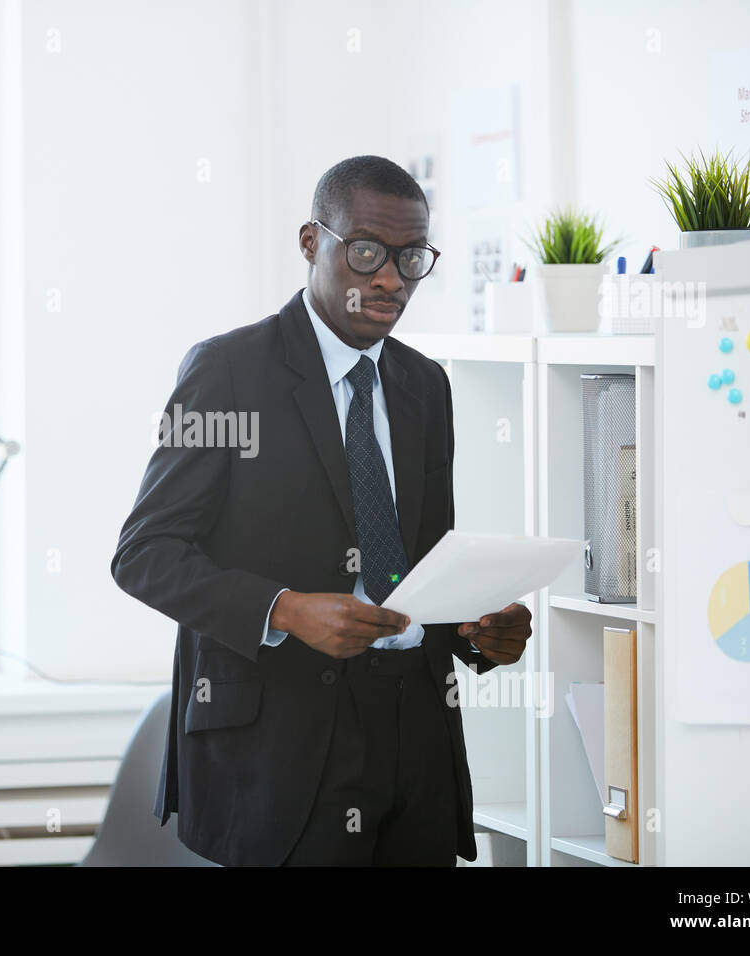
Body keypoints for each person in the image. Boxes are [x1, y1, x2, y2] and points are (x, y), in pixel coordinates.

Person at [110, 155, 532, 866]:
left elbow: (423, 566)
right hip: (282, 749)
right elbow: (145, 555)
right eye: (367, 251)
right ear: (312, 243)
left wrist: (480, 628)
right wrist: (284, 608)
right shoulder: (227, 372)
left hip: (417, 740)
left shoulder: (425, 387)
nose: (391, 279)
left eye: (411, 258)